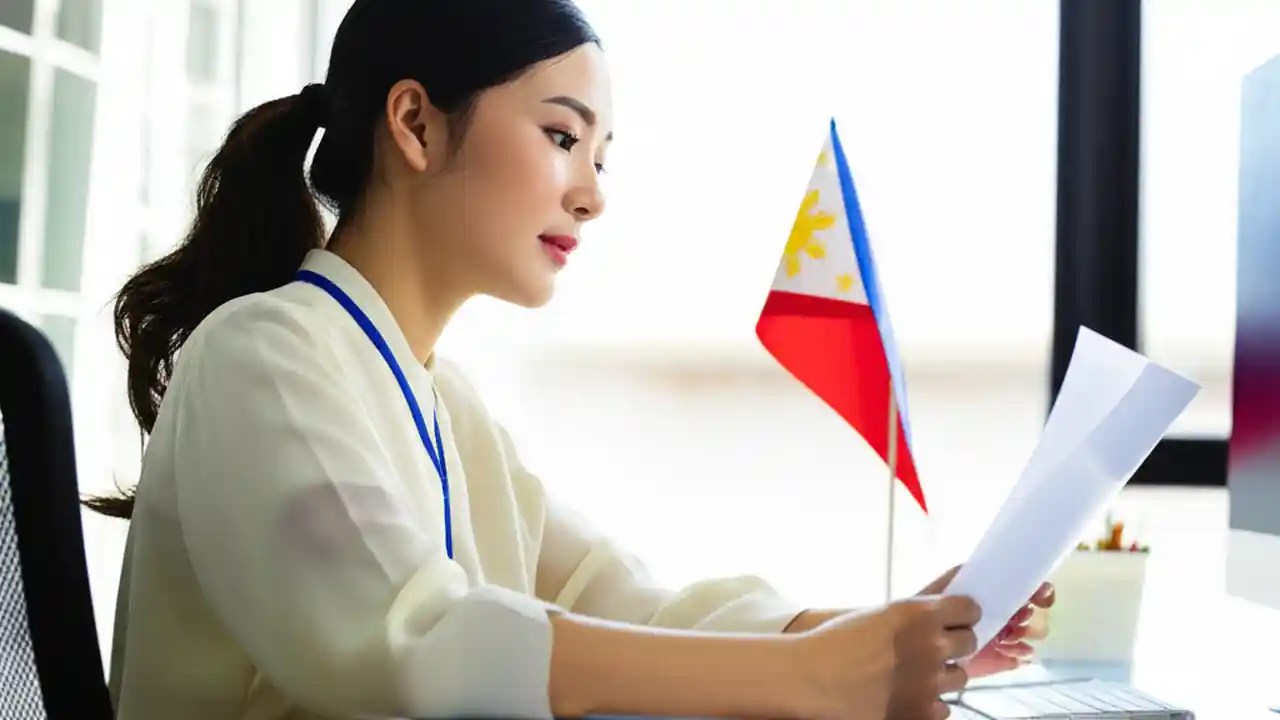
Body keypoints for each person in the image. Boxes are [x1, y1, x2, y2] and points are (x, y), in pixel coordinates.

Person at [94, 1, 1053, 718]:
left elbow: (615, 599)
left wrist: (866, 635)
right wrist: (814, 674)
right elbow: (422, 646)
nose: (591, 195)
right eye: (561, 137)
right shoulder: (265, 356)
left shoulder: (441, 403)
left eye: (601, 156)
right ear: (416, 124)